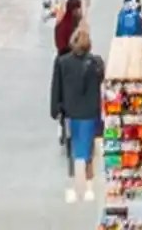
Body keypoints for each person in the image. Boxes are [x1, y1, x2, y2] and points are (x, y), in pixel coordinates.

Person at [50, 28, 104, 203]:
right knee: (88, 151)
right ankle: (89, 188)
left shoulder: (62, 62)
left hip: (70, 113)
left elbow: (56, 88)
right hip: (89, 113)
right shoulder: (96, 64)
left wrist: (55, 110)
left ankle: (72, 188)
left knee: (71, 151)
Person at [52, 0, 84, 145]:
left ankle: (63, 128)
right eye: (78, 9)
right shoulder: (69, 28)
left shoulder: (62, 25)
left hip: (63, 63)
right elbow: (65, 46)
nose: (80, 11)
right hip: (70, 65)